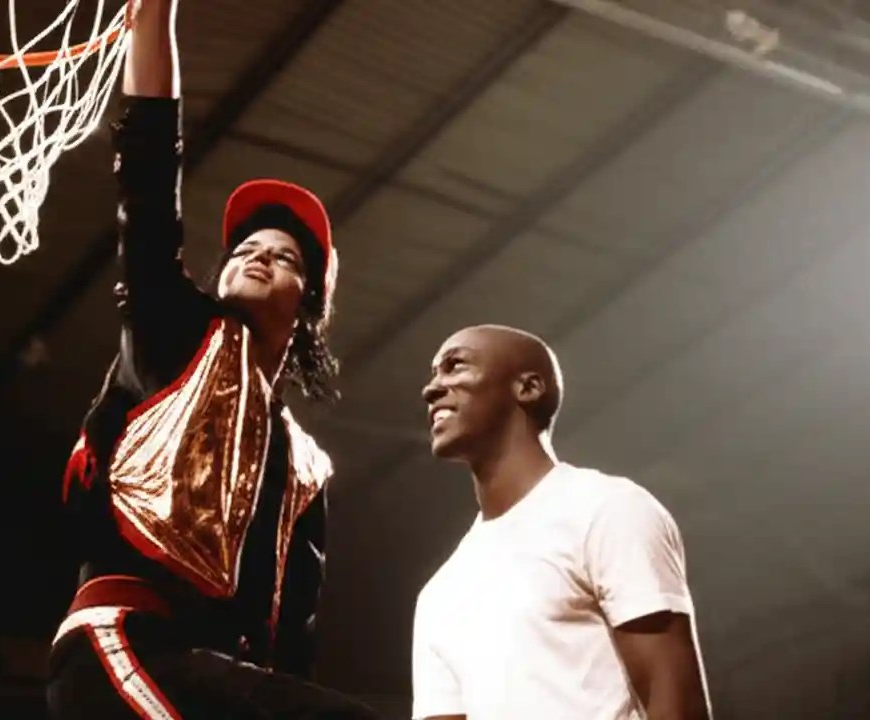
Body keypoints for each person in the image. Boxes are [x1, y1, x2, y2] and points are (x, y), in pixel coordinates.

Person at [45, 1, 375, 717]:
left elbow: (294, 634)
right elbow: (147, 176)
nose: (259, 254)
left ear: (308, 302)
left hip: (211, 673)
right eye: (245, 249)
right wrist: (151, 22)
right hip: (124, 647)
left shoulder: (307, 466)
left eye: (284, 256)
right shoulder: (176, 332)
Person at [411, 325, 711, 720]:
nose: (432, 388)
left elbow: (674, 699)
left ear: (529, 387)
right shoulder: (440, 593)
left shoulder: (607, 510)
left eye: (455, 366)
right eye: (434, 373)